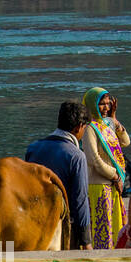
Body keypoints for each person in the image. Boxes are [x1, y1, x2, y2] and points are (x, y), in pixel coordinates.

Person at [25, 101, 93, 250]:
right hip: (61, 227)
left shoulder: (33, 148)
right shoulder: (76, 156)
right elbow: (80, 199)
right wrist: (85, 240)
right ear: (79, 127)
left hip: (33, 223)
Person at [79, 87, 131, 249]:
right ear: (92, 105)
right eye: (101, 104)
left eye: (108, 104)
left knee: (114, 225)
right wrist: (114, 176)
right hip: (99, 185)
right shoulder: (89, 128)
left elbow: (125, 141)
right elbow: (93, 159)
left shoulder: (106, 125)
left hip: (113, 184)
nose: (106, 108)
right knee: (102, 227)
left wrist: (115, 120)